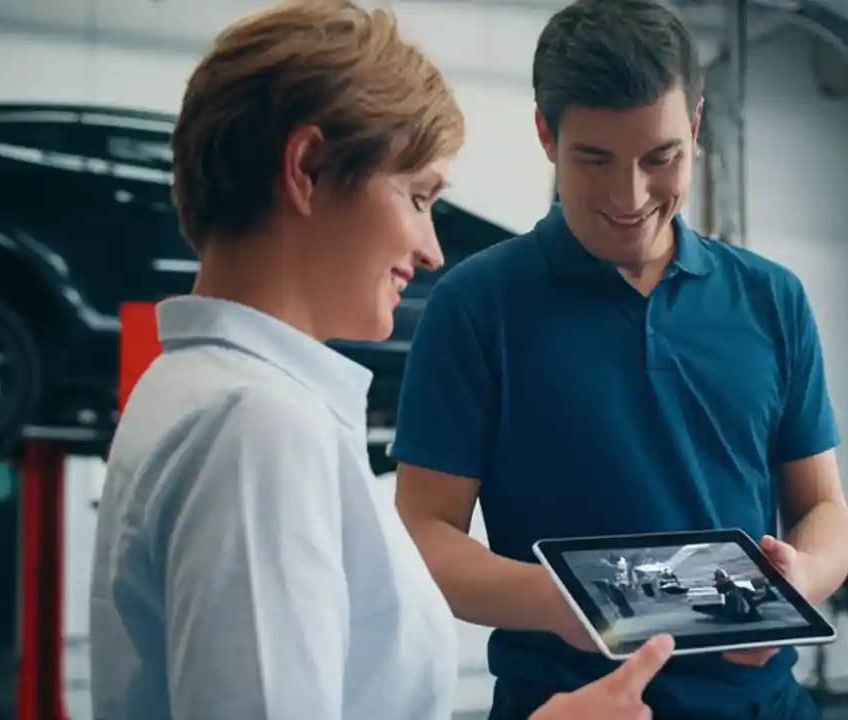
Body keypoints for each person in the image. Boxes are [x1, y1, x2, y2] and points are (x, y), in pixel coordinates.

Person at [86, 2, 677, 719]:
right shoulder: (258, 427)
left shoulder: (191, 387)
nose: (431, 249)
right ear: (307, 169)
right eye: (418, 196)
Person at [391, 1, 848, 717]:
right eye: (595, 159)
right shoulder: (475, 306)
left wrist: (803, 575)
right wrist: (555, 602)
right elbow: (424, 532)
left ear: (696, 126)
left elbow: (825, 507)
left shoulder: (772, 300)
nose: (630, 196)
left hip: (764, 705)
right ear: (547, 134)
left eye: (661, 158)